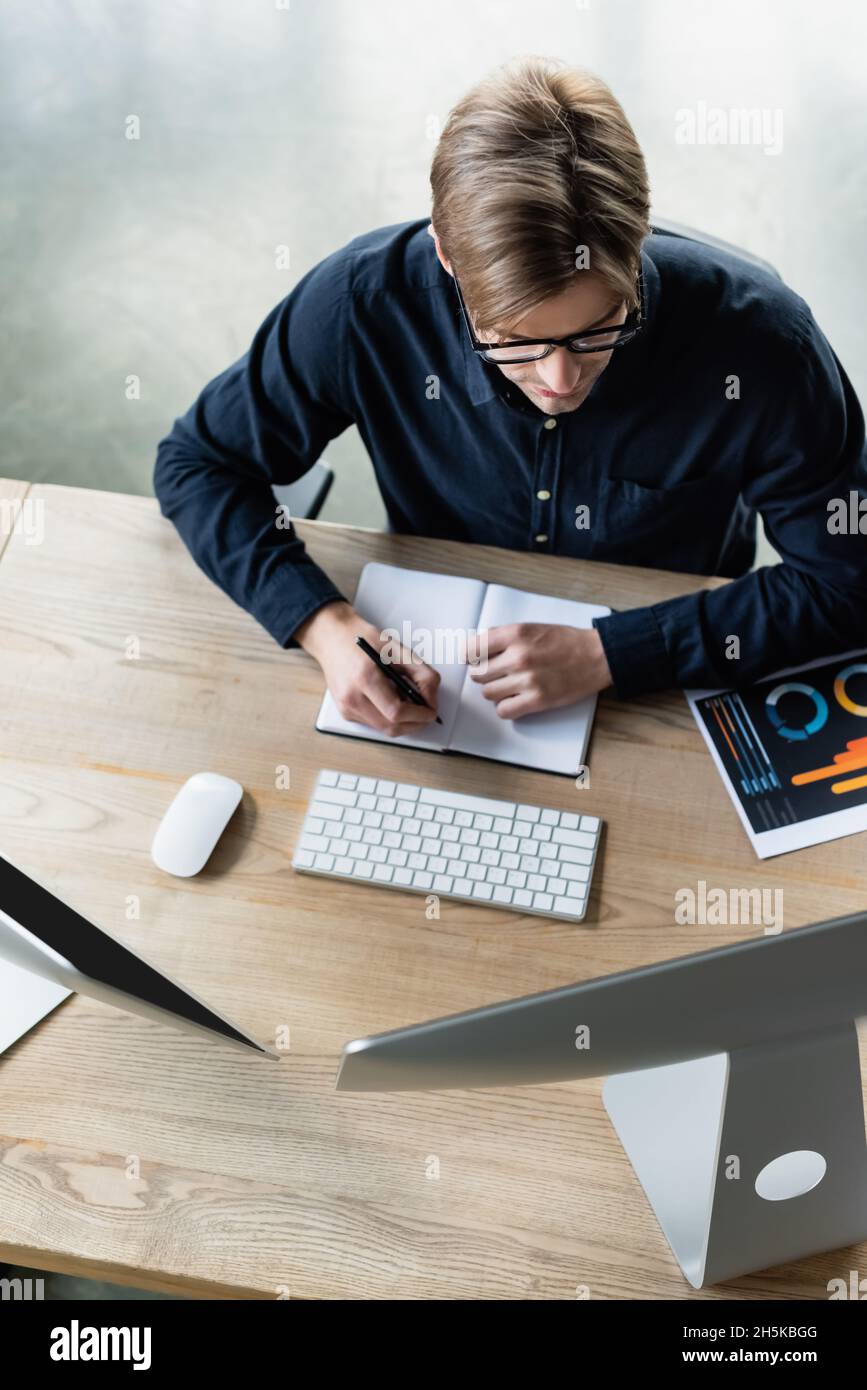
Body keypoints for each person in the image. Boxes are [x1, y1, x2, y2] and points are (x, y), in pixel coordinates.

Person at [154, 57, 867, 741]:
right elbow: (198, 463)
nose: (560, 382)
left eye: (597, 332)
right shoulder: (361, 307)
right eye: (514, 341)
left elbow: (849, 580)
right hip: (434, 646)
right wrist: (321, 623)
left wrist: (612, 653)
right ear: (444, 256)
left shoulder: (762, 343)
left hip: (669, 660)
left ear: (635, 243)